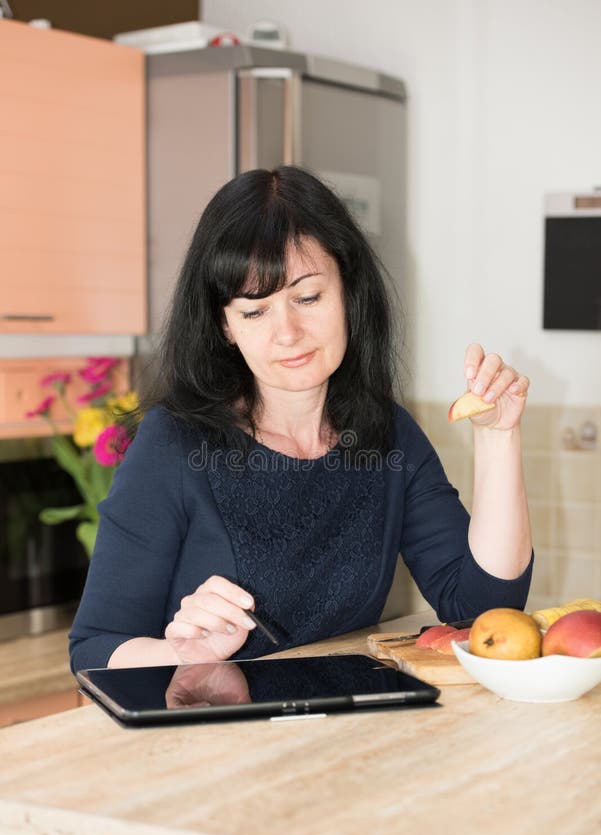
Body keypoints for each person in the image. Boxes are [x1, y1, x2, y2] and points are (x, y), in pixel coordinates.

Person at [68, 166, 533, 674]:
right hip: (212, 742)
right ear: (224, 325)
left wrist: (498, 438)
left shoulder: (387, 435)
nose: (287, 332)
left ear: (348, 293)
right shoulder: (175, 443)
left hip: (338, 739)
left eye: (307, 298)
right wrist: (180, 655)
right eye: (254, 311)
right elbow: (94, 649)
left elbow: (483, 613)